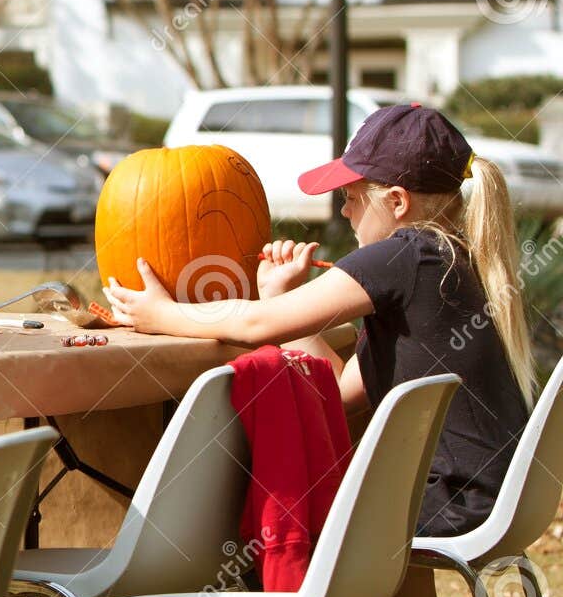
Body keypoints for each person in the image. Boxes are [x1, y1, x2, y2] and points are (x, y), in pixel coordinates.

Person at [104, 103, 536, 537]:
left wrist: (162, 313)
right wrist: (280, 294)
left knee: (258, 512)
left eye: (351, 198)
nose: (345, 213)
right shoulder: (448, 259)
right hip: (492, 498)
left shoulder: (404, 255)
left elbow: (256, 326)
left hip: (453, 501)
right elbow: (341, 390)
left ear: (397, 202)